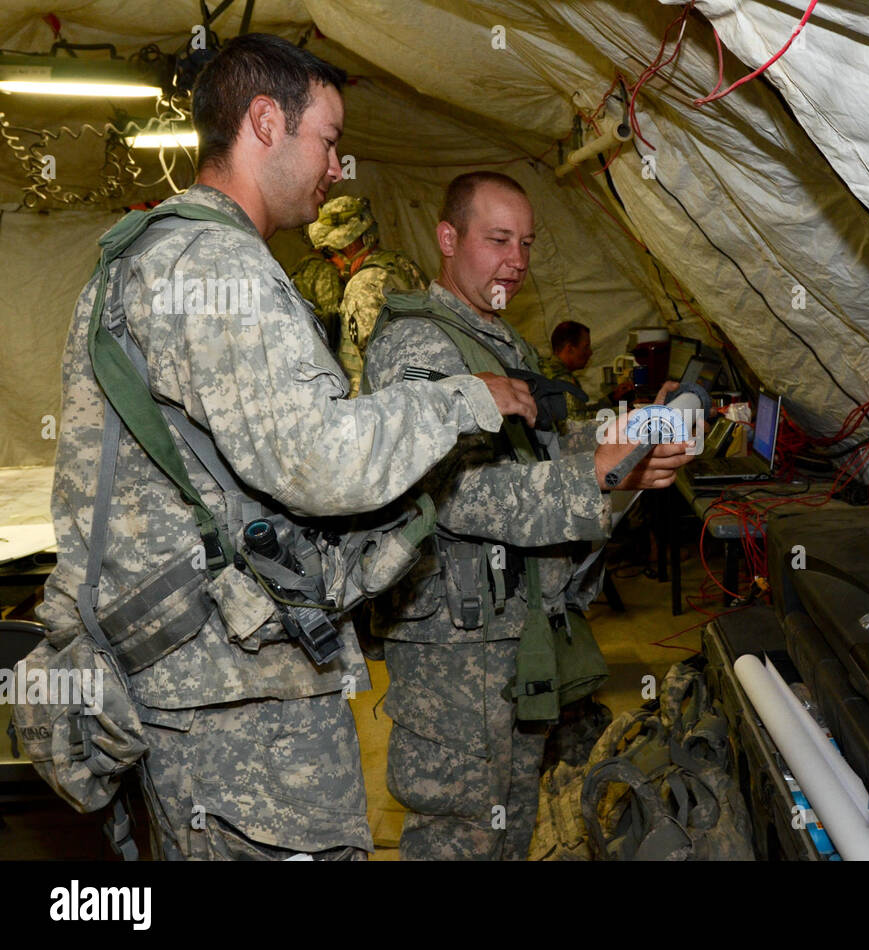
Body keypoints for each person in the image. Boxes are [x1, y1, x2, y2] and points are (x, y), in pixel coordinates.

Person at [35, 34, 534, 861]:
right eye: (328, 141)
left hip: (181, 679)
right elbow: (316, 461)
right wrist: (463, 399)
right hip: (233, 700)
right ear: (266, 122)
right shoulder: (216, 263)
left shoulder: (144, 254)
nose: (337, 168)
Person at [363, 170, 692, 859]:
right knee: (462, 832)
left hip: (515, 631)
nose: (517, 259)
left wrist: (622, 453)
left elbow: (531, 453)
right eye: (499, 239)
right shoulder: (419, 347)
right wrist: (598, 473)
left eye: (528, 244)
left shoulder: (498, 341)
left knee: (511, 820)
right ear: (448, 239)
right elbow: (456, 493)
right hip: (456, 650)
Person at [291, 195, 427, 397]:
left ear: (350, 245)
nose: (332, 263)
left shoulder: (362, 286)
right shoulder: (401, 264)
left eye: (330, 253)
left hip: (378, 401)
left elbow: (379, 362)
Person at [539, 320, 633, 423]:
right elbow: (577, 423)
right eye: (586, 346)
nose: (590, 352)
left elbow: (581, 412)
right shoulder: (561, 380)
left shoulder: (554, 371)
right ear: (570, 349)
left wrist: (611, 399)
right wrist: (622, 413)